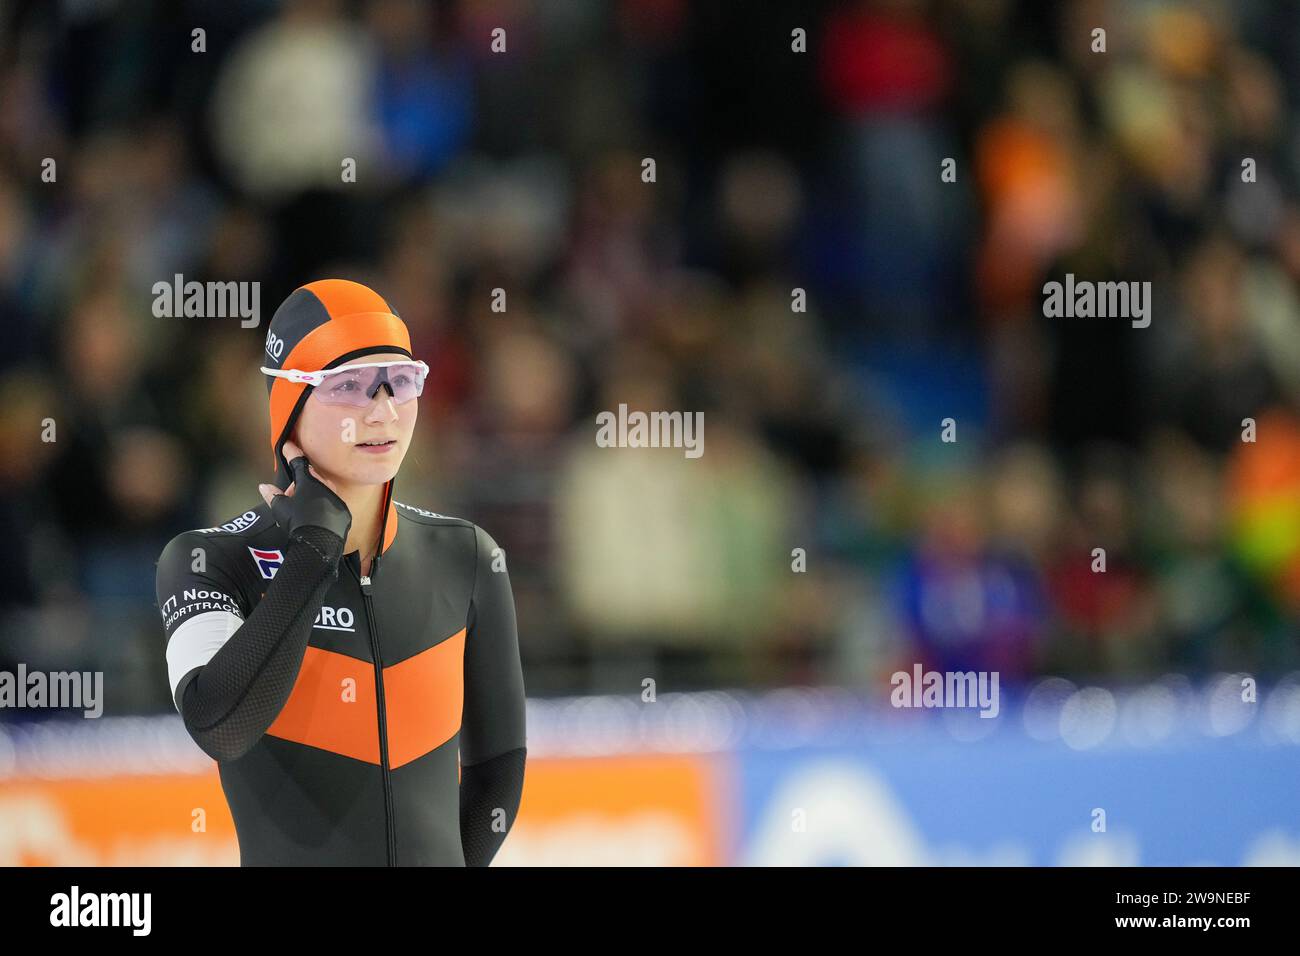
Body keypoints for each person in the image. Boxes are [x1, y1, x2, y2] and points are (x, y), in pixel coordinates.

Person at [154, 278, 526, 866]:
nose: (382, 410)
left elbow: (498, 771)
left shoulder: (469, 557)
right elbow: (220, 727)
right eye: (348, 386)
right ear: (288, 407)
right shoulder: (209, 561)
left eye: (399, 383)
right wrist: (313, 553)